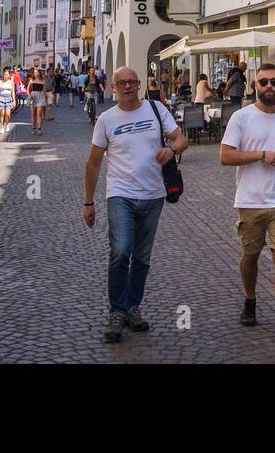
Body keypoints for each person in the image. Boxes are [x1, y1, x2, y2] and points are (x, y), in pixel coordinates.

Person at [83, 66, 188, 344]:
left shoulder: (156, 109)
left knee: (141, 257)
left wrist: (173, 149)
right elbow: (93, 162)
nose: (127, 86)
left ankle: (132, 306)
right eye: (122, 83)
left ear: (139, 84)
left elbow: (181, 138)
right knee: (120, 251)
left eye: (132, 82)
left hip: (154, 195)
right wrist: (88, 202)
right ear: (113, 87)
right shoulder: (106, 120)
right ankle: (117, 311)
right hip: (120, 194)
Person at [219, 63, 275, 347]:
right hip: (250, 200)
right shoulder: (241, 118)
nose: (270, 87)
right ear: (255, 85)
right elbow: (225, 157)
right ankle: (250, 299)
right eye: (264, 82)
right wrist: (260, 156)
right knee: (250, 258)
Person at [0, 70, 16, 135]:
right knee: (2, 114)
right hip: (1, 98)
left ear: (9, 75)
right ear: (3, 75)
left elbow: (13, 92)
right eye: (5, 74)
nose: (6, 76)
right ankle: (2, 127)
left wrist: (14, 100)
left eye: (7, 75)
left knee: (7, 114)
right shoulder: (0, 82)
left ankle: (7, 123)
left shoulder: (11, 83)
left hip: (9, 98)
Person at [28, 68, 47, 135]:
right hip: (33, 97)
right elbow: (27, 90)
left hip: (40, 97)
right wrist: (30, 95)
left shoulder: (43, 81)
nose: (36, 74)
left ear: (39, 73)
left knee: (39, 114)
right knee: (33, 115)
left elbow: (44, 91)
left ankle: (39, 128)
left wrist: (45, 100)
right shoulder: (31, 80)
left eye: (37, 72)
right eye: (34, 72)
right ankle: (33, 128)